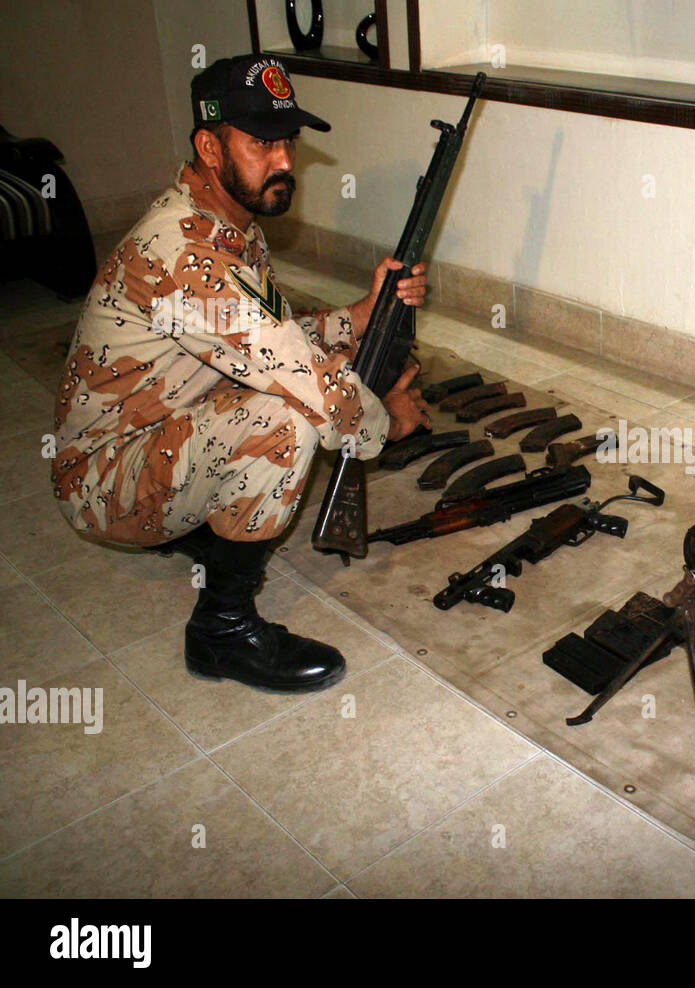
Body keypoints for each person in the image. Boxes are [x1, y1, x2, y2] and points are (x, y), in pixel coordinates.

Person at [50, 54, 432, 692]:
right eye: (261, 142)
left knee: (308, 378)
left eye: (287, 141)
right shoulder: (185, 254)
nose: (283, 161)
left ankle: (201, 517)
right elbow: (306, 386)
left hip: (153, 431)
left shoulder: (229, 227)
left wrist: (364, 315)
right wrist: (386, 421)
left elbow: (275, 340)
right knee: (287, 420)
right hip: (103, 480)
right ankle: (221, 632)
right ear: (209, 145)